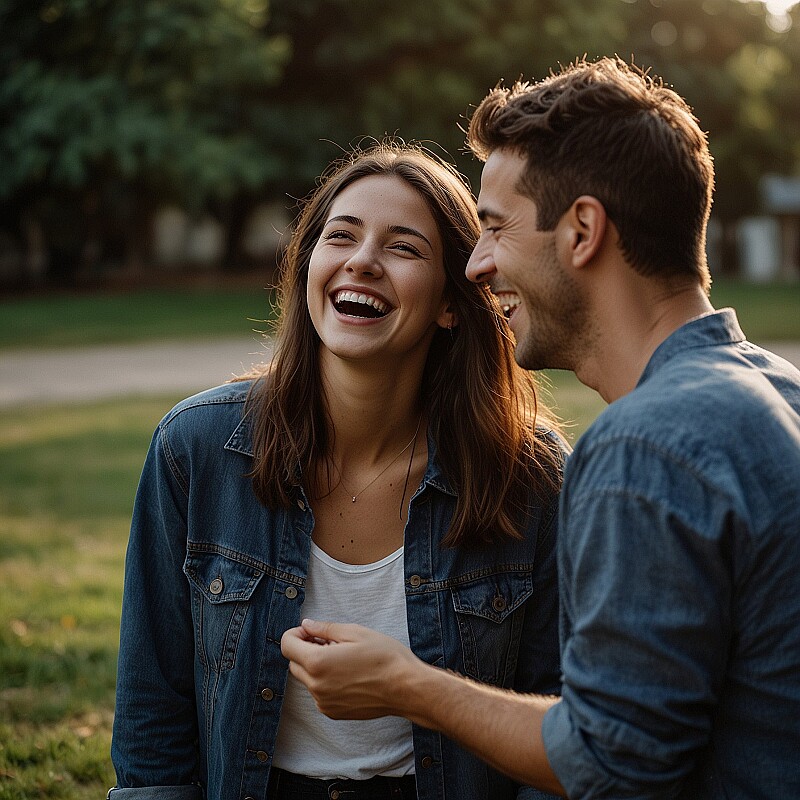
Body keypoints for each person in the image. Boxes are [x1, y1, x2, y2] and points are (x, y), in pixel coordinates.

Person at [282, 58, 800, 799]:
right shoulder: (776, 388)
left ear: (583, 229)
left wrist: (409, 686)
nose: (479, 265)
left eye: (493, 227)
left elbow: (611, 763)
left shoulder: (647, 445)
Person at [107, 141, 568, 800]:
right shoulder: (194, 449)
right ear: (307, 268)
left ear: (448, 302)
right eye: (340, 237)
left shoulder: (532, 477)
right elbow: (155, 723)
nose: (361, 261)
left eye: (403, 248)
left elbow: (558, 728)